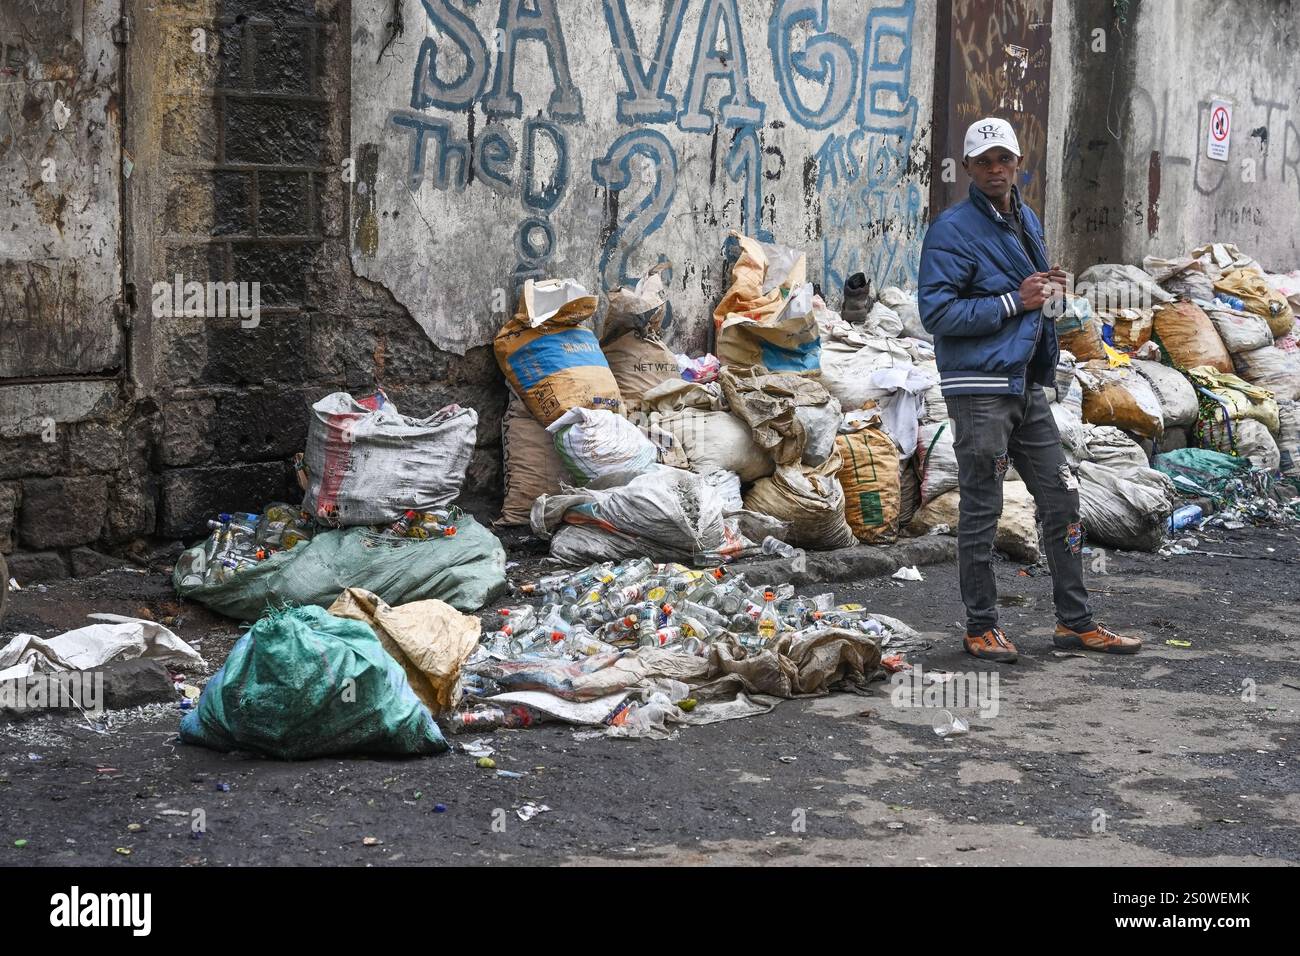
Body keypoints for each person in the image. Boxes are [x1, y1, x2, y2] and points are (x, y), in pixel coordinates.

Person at [917, 117, 1141, 663]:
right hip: (979, 391)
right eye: (985, 162)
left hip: (1024, 384)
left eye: (1005, 160)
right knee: (982, 506)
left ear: (1019, 164)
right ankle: (980, 625)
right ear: (968, 168)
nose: (996, 170)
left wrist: (1050, 292)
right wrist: (1017, 301)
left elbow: (1031, 300)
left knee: (1061, 498)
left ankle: (1075, 621)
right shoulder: (952, 229)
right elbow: (936, 311)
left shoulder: (1026, 220)